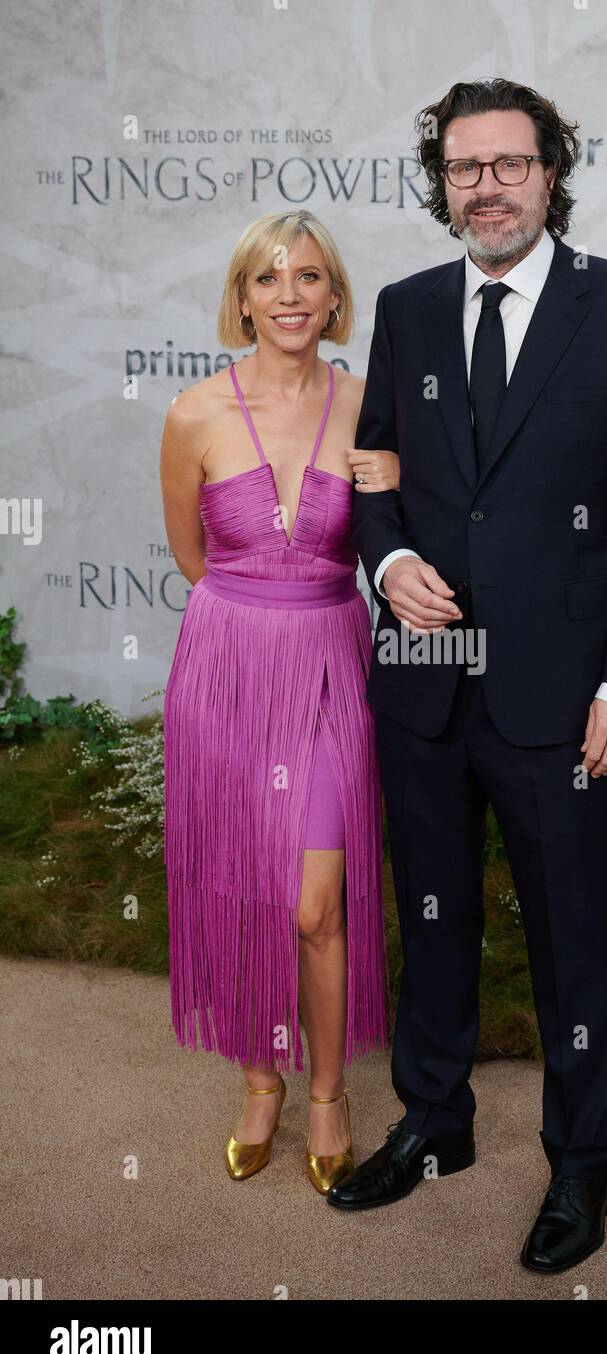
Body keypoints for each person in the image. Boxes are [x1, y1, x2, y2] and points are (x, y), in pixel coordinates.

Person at [330, 79, 607, 1273]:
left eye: (510, 163)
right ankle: (437, 1124)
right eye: (464, 166)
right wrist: (384, 566)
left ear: (550, 173)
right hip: (427, 669)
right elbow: (373, 470)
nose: (487, 183)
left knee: (572, 933)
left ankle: (582, 1159)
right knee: (431, 917)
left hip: (565, 684)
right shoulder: (408, 307)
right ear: (444, 184)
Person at [159, 209, 399, 1193]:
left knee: (314, 904)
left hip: (334, 665)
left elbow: (396, 543)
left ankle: (331, 1092)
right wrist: (252, 610)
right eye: (269, 277)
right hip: (224, 669)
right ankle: (261, 1081)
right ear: (243, 298)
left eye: (309, 276)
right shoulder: (192, 415)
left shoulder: (373, 409)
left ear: (336, 297)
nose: (290, 294)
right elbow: (191, 557)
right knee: (244, 888)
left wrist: (393, 483)